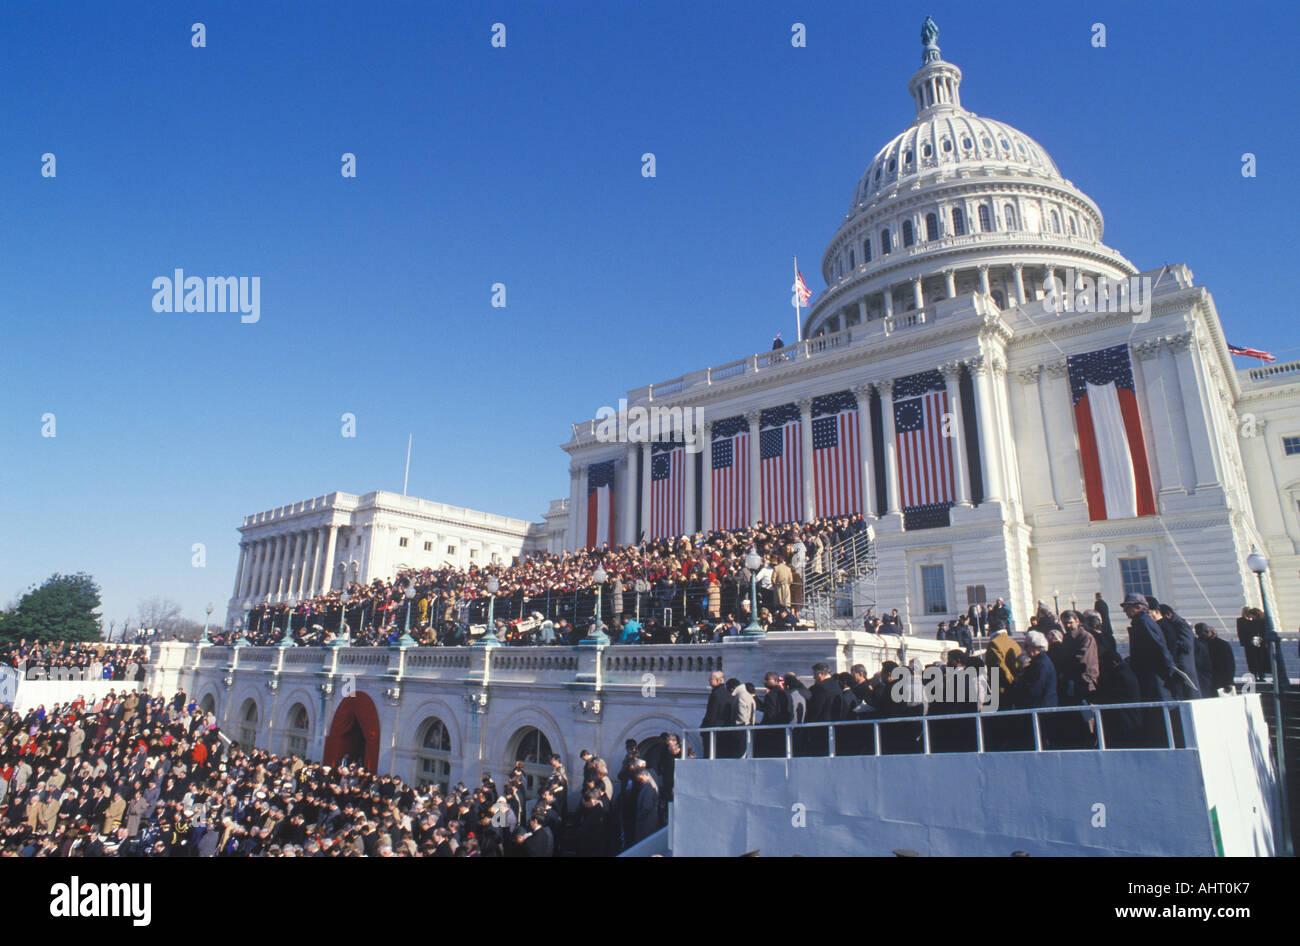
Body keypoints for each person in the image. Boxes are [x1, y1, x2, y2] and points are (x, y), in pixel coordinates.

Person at [1122, 594, 1174, 703]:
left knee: (1159, 711)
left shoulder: (1143, 622)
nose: (1125, 611)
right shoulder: (1141, 622)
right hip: (1150, 675)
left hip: (1154, 676)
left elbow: (1159, 647)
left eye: (1127, 607)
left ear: (1140, 607)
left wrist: (1168, 670)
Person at [1196, 624, 1236, 693]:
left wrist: (1229, 682)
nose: (1203, 634)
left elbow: (1230, 664)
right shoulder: (1198, 644)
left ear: (1211, 631)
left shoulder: (1222, 644)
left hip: (1219, 680)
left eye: (1206, 632)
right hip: (1205, 680)